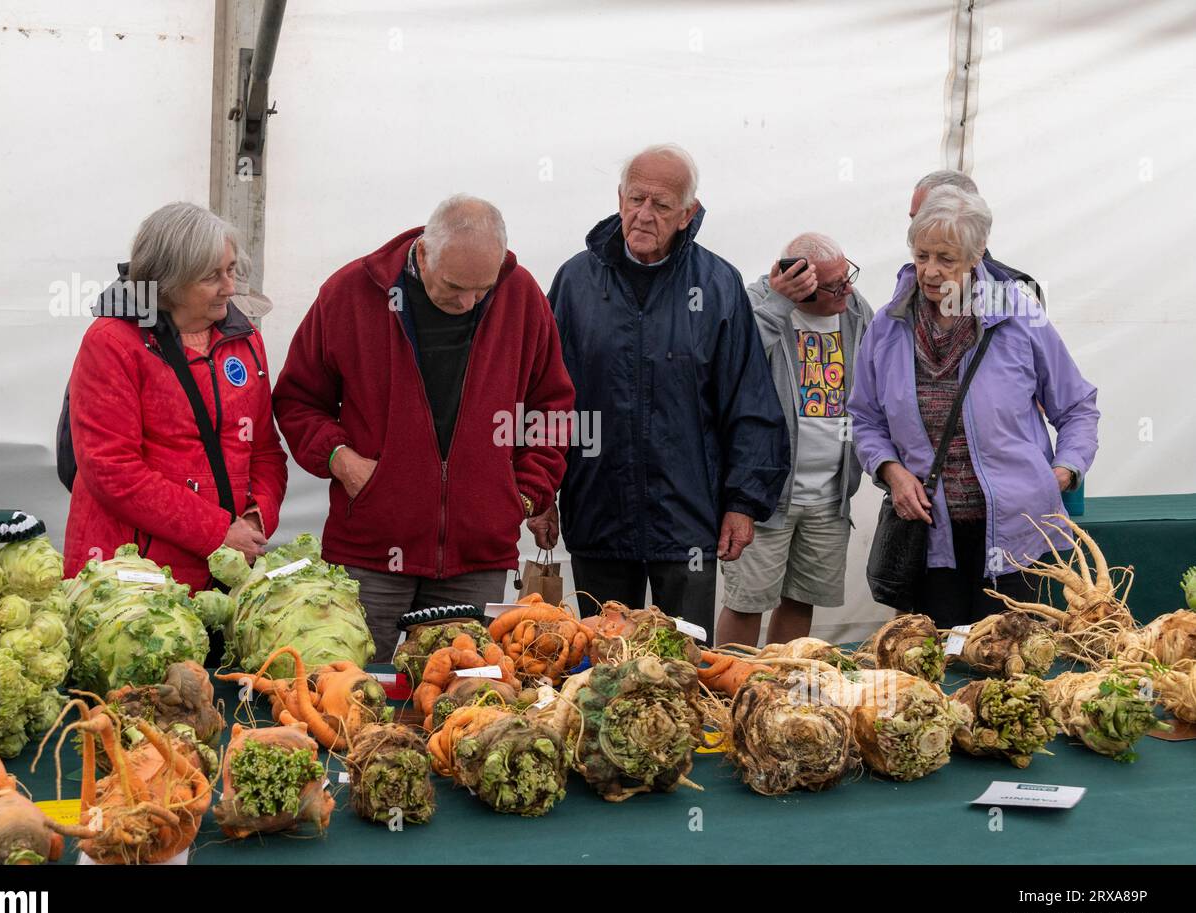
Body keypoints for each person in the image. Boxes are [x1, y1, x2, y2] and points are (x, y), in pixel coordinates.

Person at [274, 195, 574, 662]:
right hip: (371, 552)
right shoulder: (352, 293)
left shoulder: (521, 297)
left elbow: (551, 408)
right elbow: (297, 399)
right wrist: (342, 460)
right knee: (351, 694)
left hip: (476, 557)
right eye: (454, 286)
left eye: (482, 289)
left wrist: (525, 493)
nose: (468, 301)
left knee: (458, 702)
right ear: (423, 252)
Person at [541, 144, 789, 640]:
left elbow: (749, 401)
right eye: (635, 199)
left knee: (686, 661)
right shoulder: (575, 282)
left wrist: (743, 502)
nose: (643, 215)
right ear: (619, 199)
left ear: (687, 214)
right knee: (603, 662)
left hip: (686, 521)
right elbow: (547, 396)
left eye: (661, 205)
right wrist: (541, 491)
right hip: (598, 514)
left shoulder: (718, 285)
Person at [849, 186, 1099, 627]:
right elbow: (866, 418)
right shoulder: (888, 326)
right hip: (930, 537)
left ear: (976, 254)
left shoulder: (1019, 315)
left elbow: (1077, 404)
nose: (930, 270)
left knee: (1014, 669)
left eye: (946, 258)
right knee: (939, 668)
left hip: (1019, 534)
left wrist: (1065, 469)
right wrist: (891, 470)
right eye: (922, 254)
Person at [64, 202, 288, 592]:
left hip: (224, 572)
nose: (230, 287)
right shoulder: (112, 343)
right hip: (133, 578)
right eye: (211, 277)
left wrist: (255, 520)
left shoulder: (246, 341)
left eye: (231, 269)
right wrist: (219, 532)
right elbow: (113, 470)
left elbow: (265, 452)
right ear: (169, 282)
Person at [717, 233, 873, 646]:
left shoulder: (855, 309)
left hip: (829, 494)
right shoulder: (754, 303)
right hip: (766, 494)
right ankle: (732, 689)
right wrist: (779, 305)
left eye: (847, 276)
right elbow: (730, 365)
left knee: (802, 598)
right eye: (835, 285)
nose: (848, 290)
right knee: (747, 600)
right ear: (799, 281)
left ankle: (779, 688)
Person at [910, 170, 1044, 308]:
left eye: (928, 216)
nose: (916, 229)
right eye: (914, 219)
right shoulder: (908, 290)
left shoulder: (1015, 294)